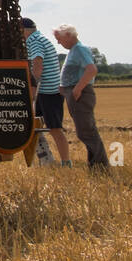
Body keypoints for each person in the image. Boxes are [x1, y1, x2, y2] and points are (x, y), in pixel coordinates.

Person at [53, 25, 110, 170]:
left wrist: (77, 89)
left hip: (81, 95)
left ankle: (100, 166)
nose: (58, 43)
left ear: (68, 35)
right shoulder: (74, 50)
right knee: (84, 131)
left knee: (87, 132)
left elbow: (92, 70)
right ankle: (95, 165)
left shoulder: (79, 49)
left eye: (59, 39)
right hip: (75, 94)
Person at [22, 19, 70, 167]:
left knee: (55, 129)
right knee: (35, 126)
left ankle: (66, 162)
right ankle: (46, 160)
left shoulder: (33, 41)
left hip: (48, 92)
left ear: (24, 30)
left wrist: (32, 87)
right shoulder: (41, 38)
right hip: (51, 90)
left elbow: (37, 63)